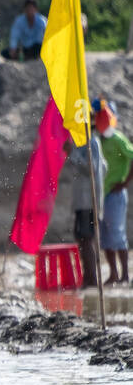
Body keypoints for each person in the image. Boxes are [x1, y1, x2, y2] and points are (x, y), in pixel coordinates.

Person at [95, 99, 132, 284]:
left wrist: (125, 183)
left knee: (117, 234)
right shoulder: (99, 140)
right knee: (106, 236)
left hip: (115, 193)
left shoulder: (117, 139)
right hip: (103, 193)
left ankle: (125, 274)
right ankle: (113, 274)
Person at [67, 137, 107, 288]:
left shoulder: (90, 142)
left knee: (86, 238)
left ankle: (92, 280)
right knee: (81, 237)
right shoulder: (85, 142)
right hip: (83, 200)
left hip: (87, 201)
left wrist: (73, 154)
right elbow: (104, 167)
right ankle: (88, 277)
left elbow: (93, 167)